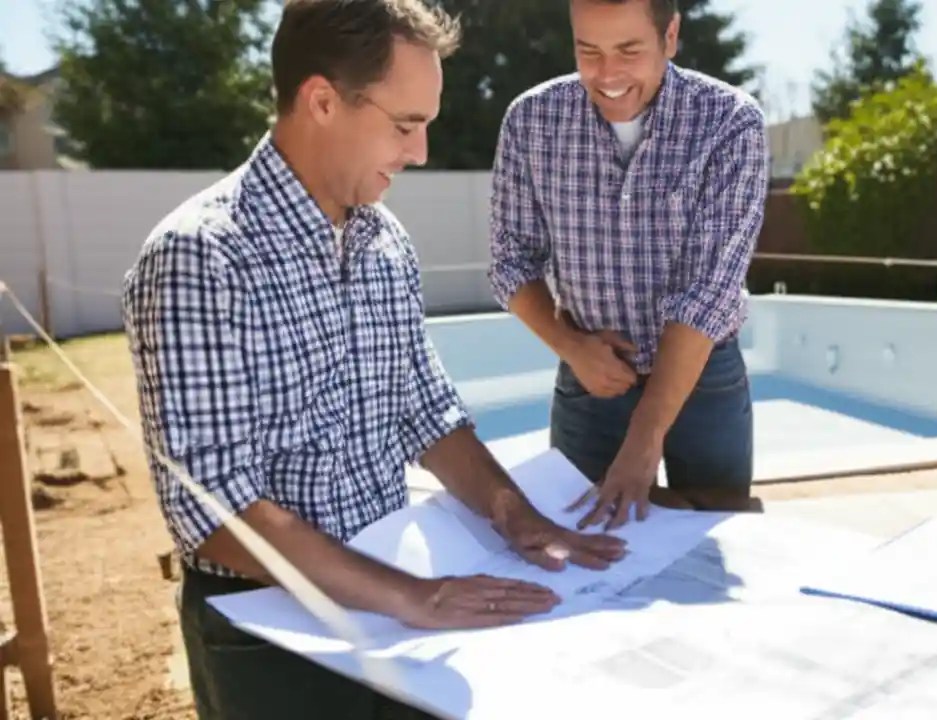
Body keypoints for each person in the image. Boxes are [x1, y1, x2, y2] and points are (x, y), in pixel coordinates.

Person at [120, 2, 625, 719]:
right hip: (272, 636)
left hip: (395, 610)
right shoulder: (201, 258)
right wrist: (414, 598)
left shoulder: (385, 243)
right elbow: (211, 509)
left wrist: (515, 515)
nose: (419, 153)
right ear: (322, 100)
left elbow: (424, 411)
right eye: (404, 125)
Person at [488, 0, 769, 530]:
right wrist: (572, 348)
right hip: (587, 379)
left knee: (707, 543)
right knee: (579, 541)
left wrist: (645, 436)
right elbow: (510, 260)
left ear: (670, 36)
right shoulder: (530, 120)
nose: (607, 75)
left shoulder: (731, 123)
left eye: (628, 51)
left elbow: (708, 293)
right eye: (587, 51)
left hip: (703, 378)